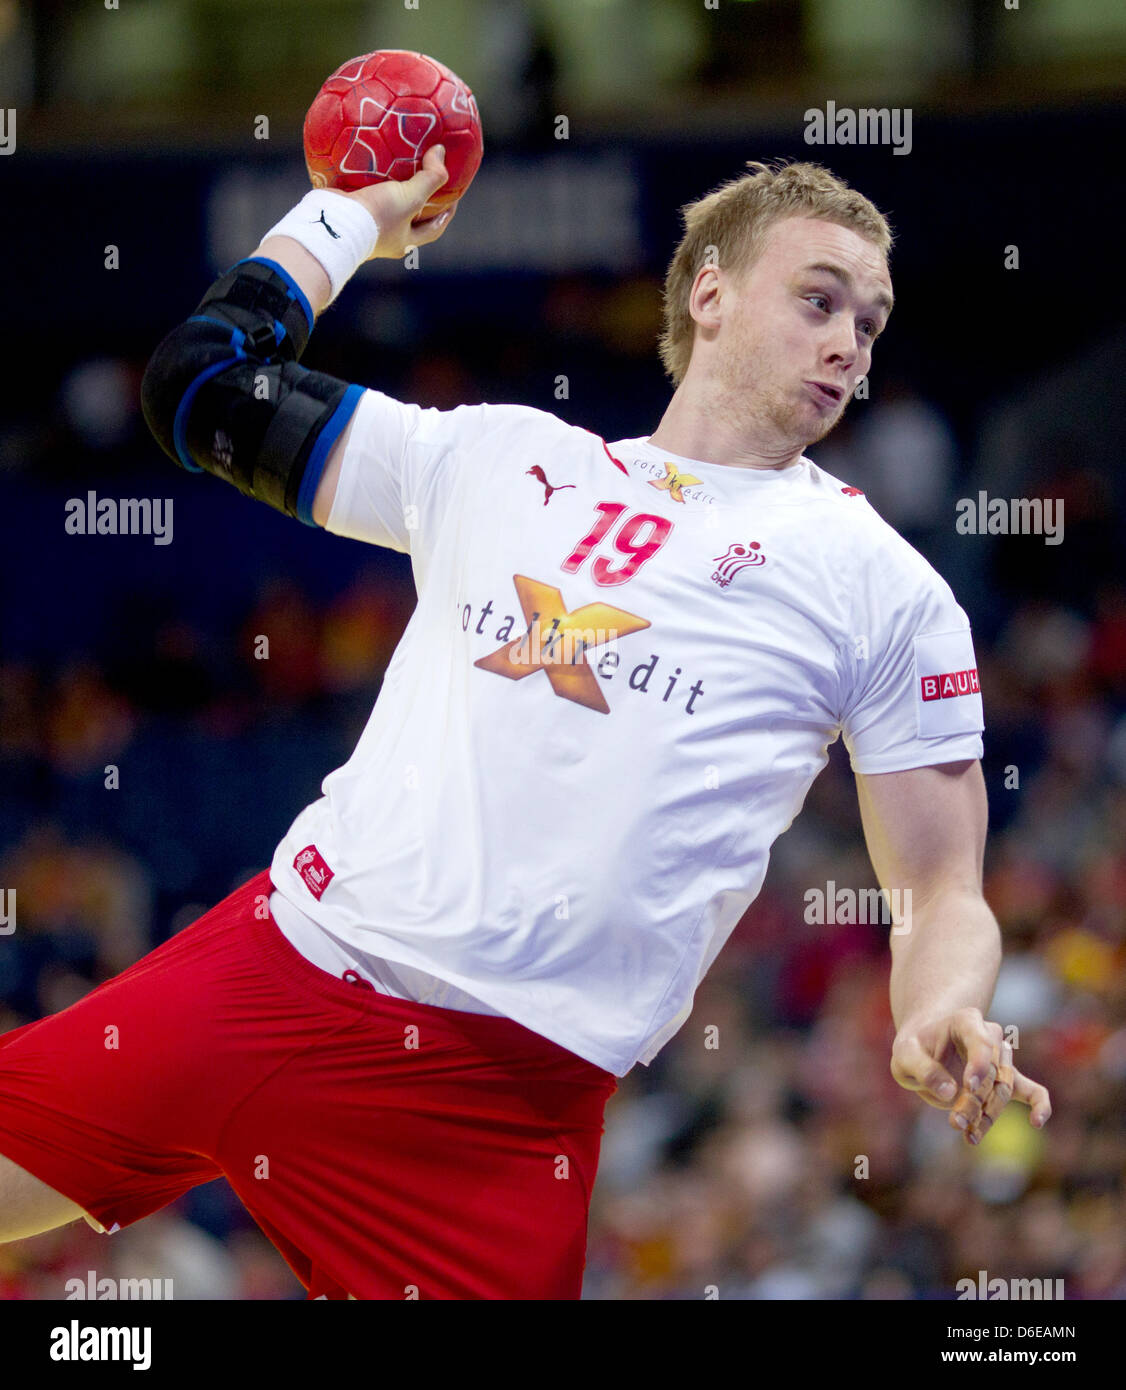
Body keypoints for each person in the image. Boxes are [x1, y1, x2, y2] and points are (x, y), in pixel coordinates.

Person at [0, 147, 1051, 1299]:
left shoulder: (885, 590)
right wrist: (351, 212)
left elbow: (940, 893)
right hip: (271, 973)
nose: (849, 340)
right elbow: (203, 387)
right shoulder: (499, 457)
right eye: (818, 298)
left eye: (870, 317)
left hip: (494, 1115)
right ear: (708, 291)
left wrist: (940, 1004)